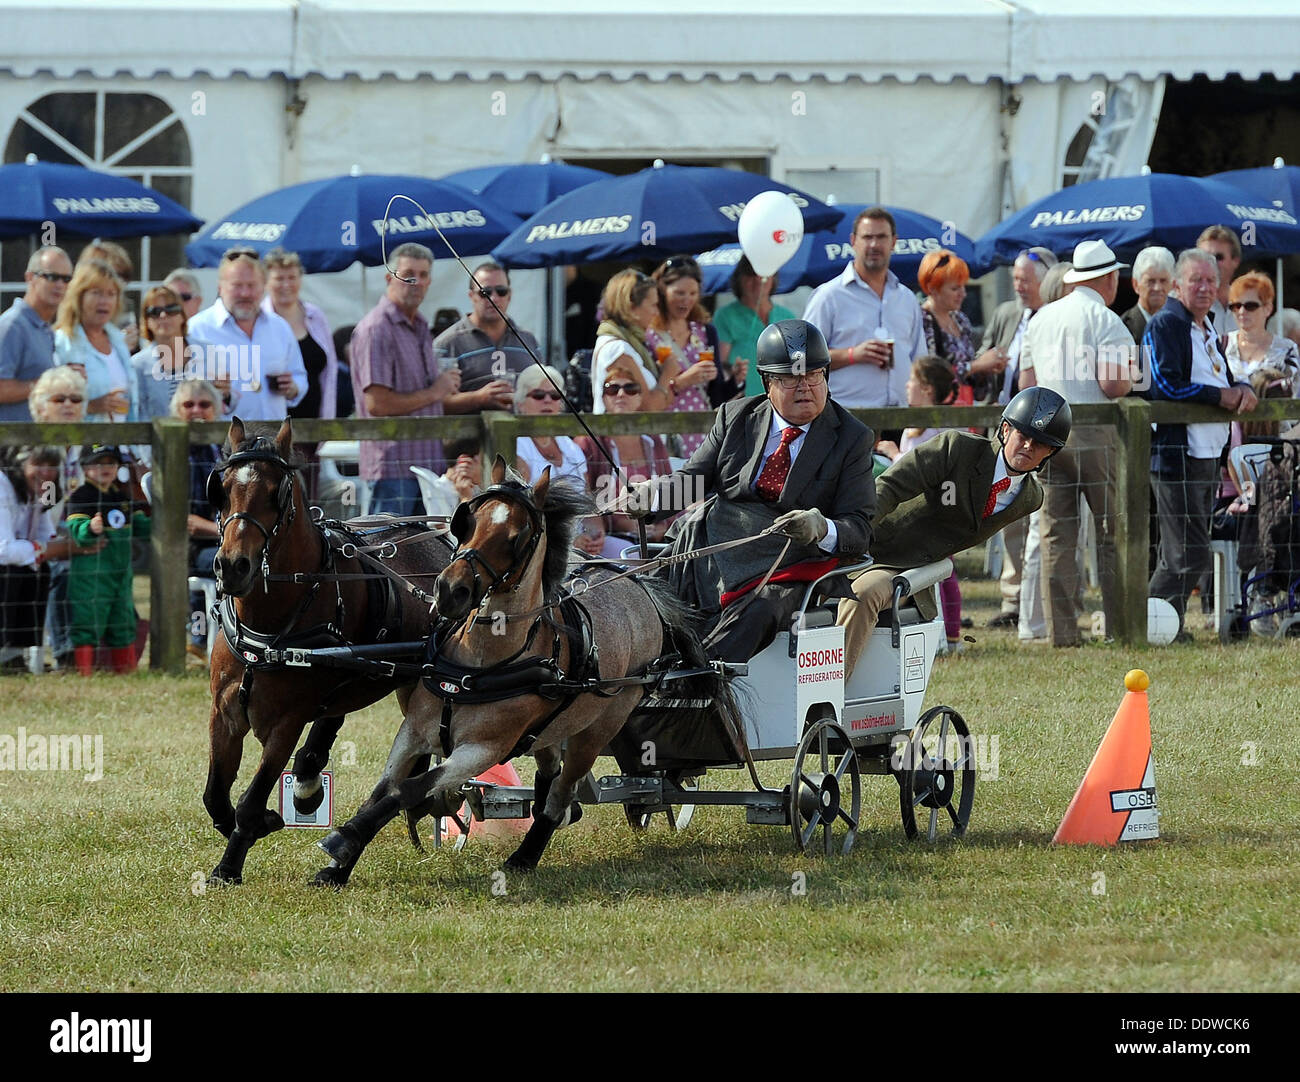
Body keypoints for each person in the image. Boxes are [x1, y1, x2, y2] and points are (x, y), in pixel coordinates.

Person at [632, 319, 875, 663]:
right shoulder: (735, 417)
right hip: (710, 552)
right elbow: (692, 481)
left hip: (787, 570)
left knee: (756, 613)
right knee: (637, 594)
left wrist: (821, 528)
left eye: (814, 375)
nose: (805, 386)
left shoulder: (853, 438)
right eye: (790, 378)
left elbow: (860, 528)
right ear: (766, 382)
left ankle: (699, 684)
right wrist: (651, 497)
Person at [836, 387, 1070, 677]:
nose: (1027, 447)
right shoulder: (956, 448)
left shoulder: (1030, 498)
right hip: (865, 537)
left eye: (1039, 444)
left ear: (1051, 452)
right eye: (1023, 436)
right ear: (1006, 430)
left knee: (863, 594)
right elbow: (889, 487)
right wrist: (853, 531)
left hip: (909, 569)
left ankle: (829, 697)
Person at [1146, 248, 1258, 640]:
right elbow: (1163, 385)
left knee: (1187, 549)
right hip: (1176, 453)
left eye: (1211, 281)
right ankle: (1154, 624)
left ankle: (1162, 625)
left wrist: (1241, 389)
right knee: (1185, 552)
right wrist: (1219, 397)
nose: (1205, 288)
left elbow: (1223, 378)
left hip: (1208, 453)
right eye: (1196, 280)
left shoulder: (1207, 325)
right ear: (1177, 284)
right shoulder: (1166, 324)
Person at [978, 245, 1056, 630]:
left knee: (1039, 513)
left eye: (1026, 280)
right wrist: (987, 361)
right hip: (1003, 428)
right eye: (1016, 280)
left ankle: (1035, 599)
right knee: (1007, 509)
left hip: (1043, 435)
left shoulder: (1054, 320)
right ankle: (1012, 598)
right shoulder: (1006, 314)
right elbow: (978, 358)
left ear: (1046, 281)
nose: (1020, 287)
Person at [349, 242, 459, 515]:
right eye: (408, 274)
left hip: (428, 465)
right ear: (389, 278)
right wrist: (437, 391)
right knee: (385, 552)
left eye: (423, 276)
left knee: (426, 554)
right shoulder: (376, 328)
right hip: (392, 467)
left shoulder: (420, 325)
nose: (416, 282)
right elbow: (377, 404)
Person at [802, 206, 926, 408]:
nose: (874, 244)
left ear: (893, 242)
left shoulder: (907, 298)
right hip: (845, 417)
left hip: (901, 417)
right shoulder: (828, 296)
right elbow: (803, 359)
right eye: (867, 237)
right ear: (853, 241)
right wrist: (852, 354)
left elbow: (920, 362)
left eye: (881, 237)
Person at [891, 355, 966, 655]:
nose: (906, 386)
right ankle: (932, 632)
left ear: (925, 389)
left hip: (937, 508)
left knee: (945, 572)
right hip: (917, 510)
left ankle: (951, 635)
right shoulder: (912, 424)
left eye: (911, 381)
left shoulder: (936, 428)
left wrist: (893, 455)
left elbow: (919, 468)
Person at [186, 247, 307, 421]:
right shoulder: (197, 329)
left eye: (251, 285)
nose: (245, 293)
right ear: (220, 287)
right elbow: (180, 388)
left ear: (263, 287)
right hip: (222, 441)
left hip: (272, 441)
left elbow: (299, 375)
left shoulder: (279, 327)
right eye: (237, 286)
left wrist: (293, 388)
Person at [28, 366, 95, 669]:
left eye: (75, 399)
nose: (69, 404)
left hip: (79, 532)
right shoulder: (33, 451)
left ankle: (102, 651)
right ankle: (66, 654)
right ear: (40, 407)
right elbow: (43, 509)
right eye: (59, 399)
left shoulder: (89, 447)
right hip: (33, 537)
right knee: (62, 568)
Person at [65, 444, 152, 675]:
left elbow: (140, 525)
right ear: (84, 467)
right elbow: (75, 529)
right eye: (98, 463)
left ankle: (126, 670)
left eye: (111, 463)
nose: (106, 468)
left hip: (121, 573)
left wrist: (158, 525)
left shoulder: (121, 496)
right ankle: (84, 671)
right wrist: (88, 529)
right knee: (88, 619)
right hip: (91, 573)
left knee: (122, 619)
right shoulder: (81, 496)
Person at [576, 363, 675, 553]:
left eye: (630, 389)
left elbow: (672, 490)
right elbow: (586, 499)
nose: (621, 394)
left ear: (639, 399)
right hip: (614, 538)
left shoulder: (653, 440)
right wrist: (625, 524)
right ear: (603, 399)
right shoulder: (589, 443)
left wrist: (662, 527)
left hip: (659, 534)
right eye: (612, 389)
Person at [434, 261, 538, 414]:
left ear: (509, 296)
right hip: (467, 437)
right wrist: (478, 398)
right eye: (485, 292)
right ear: (472, 296)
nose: (494, 298)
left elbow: (544, 391)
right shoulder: (446, 343)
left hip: (522, 436)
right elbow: (431, 403)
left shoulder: (529, 340)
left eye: (501, 291)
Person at [645, 256, 722, 456]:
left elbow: (718, 393)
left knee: (697, 486)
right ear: (662, 290)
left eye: (692, 293)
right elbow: (644, 389)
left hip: (702, 432)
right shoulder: (648, 333)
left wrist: (736, 379)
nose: (686, 300)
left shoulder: (705, 331)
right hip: (663, 431)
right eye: (679, 293)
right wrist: (682, 381)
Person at [0, 447, 67, 671]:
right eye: (39, 465)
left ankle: (16, 655)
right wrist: (51, 548)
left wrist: (62, 545)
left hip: (15, 556)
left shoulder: (45, 487)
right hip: (3, 563)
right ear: (20, 464)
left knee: (41, 569)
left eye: (52, 467)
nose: (46, 473)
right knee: (13, 570)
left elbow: (43, 529)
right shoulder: (2, 485)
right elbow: (3, 550)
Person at [172, 380, 223, 658]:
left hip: (224, 536)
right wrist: (226, 531)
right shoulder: (176, 452)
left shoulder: (224, 450)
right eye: (188, 405)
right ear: (177, 411)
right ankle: (199, 641)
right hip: (187, 546)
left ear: (217, 409)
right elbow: (183, 519)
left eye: (204, 405)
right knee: (225, 561)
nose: (197, 411)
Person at [917, 249, 1007, 403]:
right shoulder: (922, 319)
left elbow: (970, 375)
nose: (963, 294)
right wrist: (977, 365)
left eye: (963, 287)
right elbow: (930, 375)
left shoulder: (961, 320)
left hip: (965, 409)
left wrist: (988, 366)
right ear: (933, 289)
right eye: (955, 288)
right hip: (937, 414)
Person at [53, 259, 136, 423]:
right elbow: (49, 403)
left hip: (124, 444)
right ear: (79, 296)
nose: (104, 301)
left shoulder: (119, 342)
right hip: (82, 444)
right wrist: (90, 407)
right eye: (96, 293)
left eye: (111, 294)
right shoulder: (63, 342)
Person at [261, 248, 338, 420]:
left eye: (292, 278)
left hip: (316, 420)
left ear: (300, 280)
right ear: (265, 282)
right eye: (279, 279)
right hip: (273, 424)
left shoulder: (315, 315)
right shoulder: (259, 321)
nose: (286, 285)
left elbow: (330, 370)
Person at [0, 246, 71, 422]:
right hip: (11, 444)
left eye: (66, 279)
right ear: (30, 278)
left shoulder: (45, 328)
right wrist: (49, 385)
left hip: (38, 442)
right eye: (52, 277)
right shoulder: (12, 325)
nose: (60, 285)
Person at [591, 270, 678, 413]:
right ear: (631, 308)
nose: (656, 312)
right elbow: (648, 406)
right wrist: (667, 374)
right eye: (653, 305)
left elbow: (665, 400)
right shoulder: (617, 349)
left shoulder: (632, 344)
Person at [714, 255, 796, 398]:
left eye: (764, 274)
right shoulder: (725, 316)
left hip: (781, 399)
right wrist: (734, 372)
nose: (758, 280)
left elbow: (798, 361)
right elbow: (720, 363)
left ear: (773, 278)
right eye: (751, 274)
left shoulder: (787, 316)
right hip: (742, 401)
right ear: (739, 279)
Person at [512, 365, 589, 490]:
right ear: (521, 404)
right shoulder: (518, 447)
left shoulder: (571, 447)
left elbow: (587, 493)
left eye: (554, 395)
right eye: (538, 395)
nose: (548, 400)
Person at [1224, 271, 1300, 391]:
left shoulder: (1288, 349)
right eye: (1236, 306)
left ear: (1268, 309)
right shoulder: (1220, 344)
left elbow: (1294, 395)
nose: (1242, 311)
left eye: (1250, 306)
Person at [132, 285, 194, 420]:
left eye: (171, 309)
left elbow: (229, 404)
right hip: (159, 439)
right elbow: (137, 414)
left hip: (206, 437)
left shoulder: (209, 352)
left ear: (182, 316)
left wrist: (226, 396)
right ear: (146, 321)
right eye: (155, 311)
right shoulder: (138, 365)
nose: (163, 315)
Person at [1121, 246, 1175, 345]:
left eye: (1163, 281)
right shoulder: (1122, 328)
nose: (1157, 288)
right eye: (1151, 281)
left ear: (1172, 284)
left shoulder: (1182, 324)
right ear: (1136, 284)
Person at [1197, 225, 1242, 337]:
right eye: (1206, 257)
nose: (1212, 262)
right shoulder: (1187, 305)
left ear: (1235, 261)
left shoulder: (1247, 304)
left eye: (1219, 257)